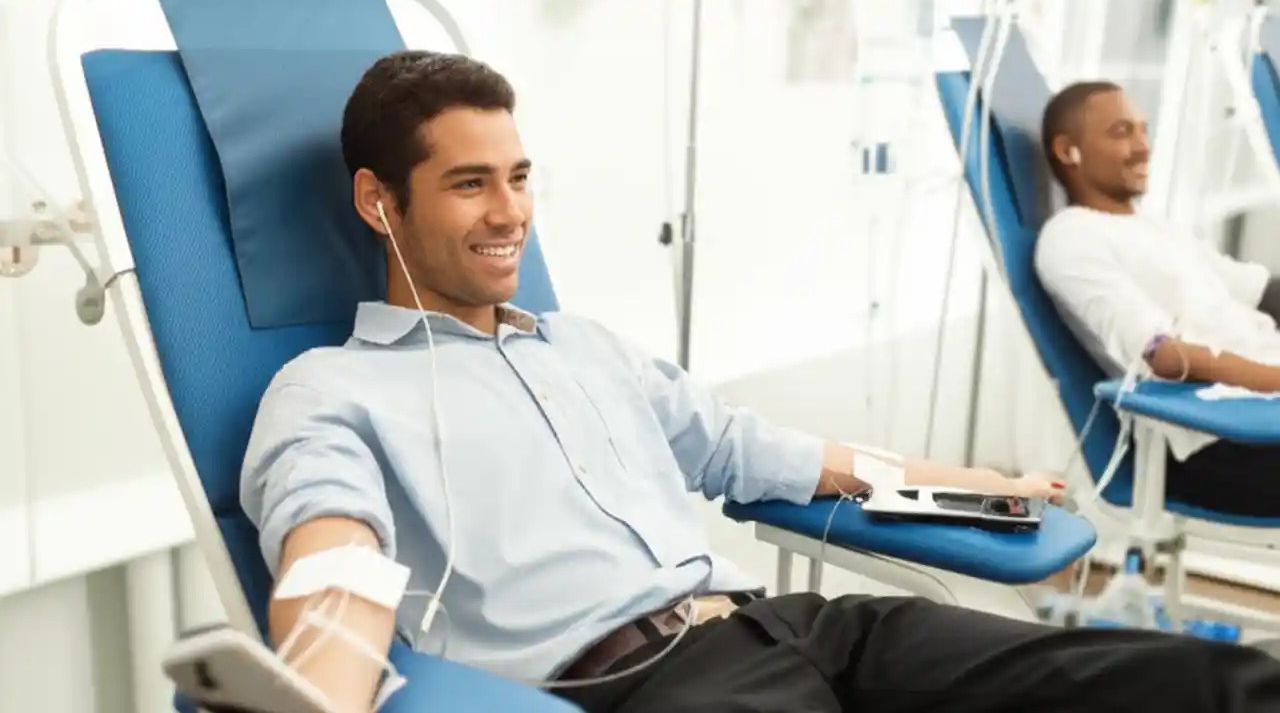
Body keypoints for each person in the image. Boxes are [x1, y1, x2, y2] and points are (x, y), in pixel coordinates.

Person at [241, 53, 1280, 713]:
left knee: (1193, 683)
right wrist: (316, 699)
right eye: (469, 184)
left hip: (799, 625)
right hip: (645, 684)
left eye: (517, 177)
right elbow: (332, 559)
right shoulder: (330, 391)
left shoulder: (585, 345)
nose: (511, 212)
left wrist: (966, 481)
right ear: (379, 202)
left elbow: (756, 453)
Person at [1036, 81, 1280, 518]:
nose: (1143, 147)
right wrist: (1274, 378)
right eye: (1121, 132)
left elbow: (1262, 291)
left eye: (1143, 131)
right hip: (1221, 442)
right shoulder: (1070, 238)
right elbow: (1161, 354)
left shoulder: (1157, 229)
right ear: (1069, 150)